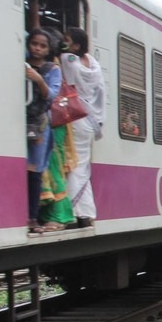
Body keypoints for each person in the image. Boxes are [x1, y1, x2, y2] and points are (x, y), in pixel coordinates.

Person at [30, 28, 76, 233]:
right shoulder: (26, 63)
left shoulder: (52, 69)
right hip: (34, 124)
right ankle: (40, 215)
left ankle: (59, 214)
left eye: (43, 45)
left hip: (48, 125)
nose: (37, 48)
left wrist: (38, 79)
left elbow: (51, 96)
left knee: (50, 168)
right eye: (34, 44)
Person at [59, 27, 105, 228]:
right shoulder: (93, 65)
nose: (64, 42)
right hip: (91, 121)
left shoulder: (70, 61)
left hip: (75, 119)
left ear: (75, 45)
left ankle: (73, 210)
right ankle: (86, 212)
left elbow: (61, 59)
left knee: (73, 166)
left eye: (67, 40)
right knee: (83, 168)